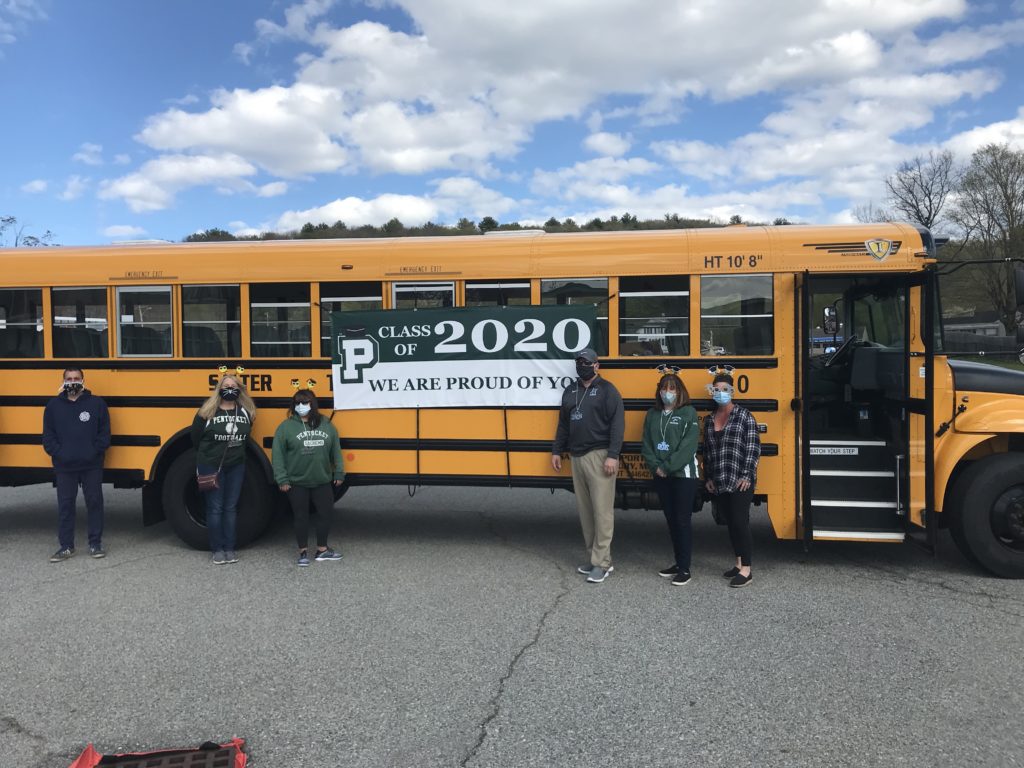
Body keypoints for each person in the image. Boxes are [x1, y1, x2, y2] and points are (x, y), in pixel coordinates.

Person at [551, 347, 624, 584]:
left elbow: (617, 424)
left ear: (596, 365)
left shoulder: (607, 390)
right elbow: (563, 423)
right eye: (578, 361)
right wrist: (556, 450)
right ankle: (594, 558)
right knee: (586, 512)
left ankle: (603, 563)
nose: (581, 365)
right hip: (577, 456)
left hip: (600, 455)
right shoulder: (570, 390)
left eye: (586, 362)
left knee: (602, 512)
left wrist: (613, 455)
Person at [42, 367, 111, 562]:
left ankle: (95, 543)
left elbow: (104, 434)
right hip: (65, 467)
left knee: (95, 503)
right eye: (69, 378)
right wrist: (60, 454)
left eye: (76, 378)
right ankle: (66, 547)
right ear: (63, 381)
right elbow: (48, 436)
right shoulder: (53, 406)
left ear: (83, 380)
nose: (73, 381)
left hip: (92, 465)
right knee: (65, 506)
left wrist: (94, 452)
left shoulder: (97, 404)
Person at [272, 389, 345, 567]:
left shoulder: (326, 424)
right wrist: (282, 479)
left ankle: (322, 550)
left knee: (325, 514)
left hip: (321, 480)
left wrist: (339, 472)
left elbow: (336, 449)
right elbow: (278, 455)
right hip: (297, 482)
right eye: (297, 403)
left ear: (312, 404)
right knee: (300, 516)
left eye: (305, 402)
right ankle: (302, 552)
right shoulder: (286, 427)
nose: (301, 406)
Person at [702, 371, 761, 588]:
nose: (720, 393)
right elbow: (708, 451)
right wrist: (708, 476)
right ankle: (737, 563)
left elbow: (753, 448)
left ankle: (747, 569)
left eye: (725, 389)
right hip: (720, 479)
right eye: (716, 389)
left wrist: (747, 474)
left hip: (740, 480)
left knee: (740, 521)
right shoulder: (709, 420)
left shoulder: (744, 416)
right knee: (730, 523)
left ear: (732, 391)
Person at [641, 372, 699, 586]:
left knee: (683, 521)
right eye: (664, 388)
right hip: (661, 475)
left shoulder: (688, 413)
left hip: (683, 476)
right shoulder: (652, 414)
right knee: (671, 520)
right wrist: (655, 467)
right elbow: (646, 443)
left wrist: (666, 466)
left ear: (680, 391)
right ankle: (678, 562)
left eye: (672, 389)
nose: (668, 392)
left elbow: (688, 446)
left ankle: (685, 569)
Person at [191, 372, 255, 565]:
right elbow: (196, 439)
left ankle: (230, 548)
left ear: (239, 390)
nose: (229, 389)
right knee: (215, 507)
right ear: (219, 389)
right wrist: (206, 460)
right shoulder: (207, 412)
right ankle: (217, 549)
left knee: (230, 508)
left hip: (236, 465)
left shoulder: (246, 412)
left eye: (233, 386)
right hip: (211, 465)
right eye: (226, 385)